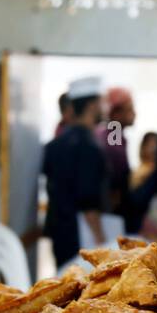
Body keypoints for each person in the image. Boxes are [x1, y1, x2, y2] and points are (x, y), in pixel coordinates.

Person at [42, 77, 106, 268]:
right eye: (100, 103)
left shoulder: (54, 144)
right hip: (80, 235)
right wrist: (100, 239)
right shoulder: (90, 146)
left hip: (59, 232)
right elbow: (88, 199)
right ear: (92, 106)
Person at [93, 86, 135, 228]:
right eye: (130, 109)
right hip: (110, 212)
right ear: (116, 113)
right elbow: (117, 171)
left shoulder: (111, 131)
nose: (134, 113)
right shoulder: (113, 132)